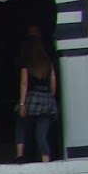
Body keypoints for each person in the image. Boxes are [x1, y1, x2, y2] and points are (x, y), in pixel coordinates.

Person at [14, 31, 58, 163]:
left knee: (21, 125)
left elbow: (24, 83)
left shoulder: (26, 62)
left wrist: (22, 104)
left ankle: (20, 155)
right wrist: (50, 98)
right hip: (46, 98)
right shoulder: (47, 63)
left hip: (31, 98)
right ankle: (46, 159)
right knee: (41, 134)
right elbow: (53, 82)